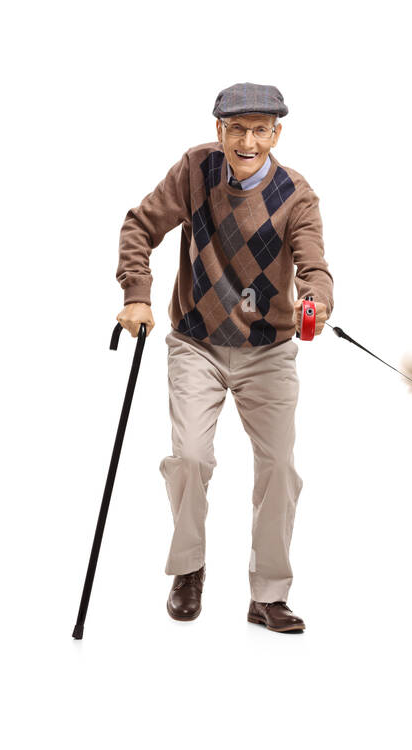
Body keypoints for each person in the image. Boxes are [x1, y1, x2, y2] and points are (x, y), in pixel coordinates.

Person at [115, 82, 333, 633]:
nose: (247, 140)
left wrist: (317, 300)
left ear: (276, 135)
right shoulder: (195, 170)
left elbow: (314, 265)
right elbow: (140, 225)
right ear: (220, 132)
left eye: (261, 130)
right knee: (189, 457)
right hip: (197, 343)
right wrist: (137, 294)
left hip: (268, 350)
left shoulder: (297, 196)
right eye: (237, 129)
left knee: (280, 469)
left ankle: (268, 596)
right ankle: (189, 568)